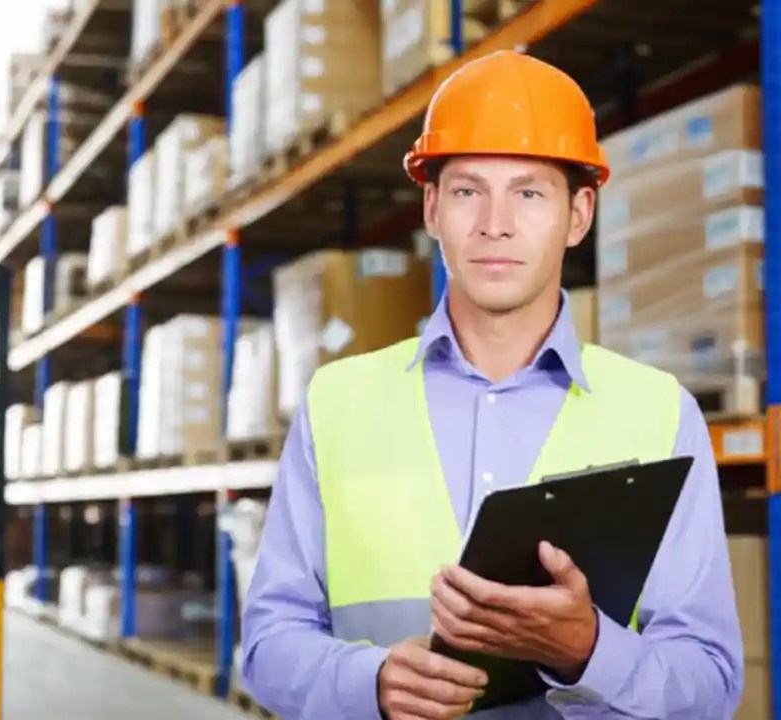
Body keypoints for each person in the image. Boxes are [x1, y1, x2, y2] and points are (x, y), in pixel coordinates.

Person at [238, 50, 744, 719]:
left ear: (578, 215)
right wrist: (370, 682)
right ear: (432, 209)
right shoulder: (339, 401)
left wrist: (588, 650)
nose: (494, 223)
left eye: (529, 192)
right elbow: (267, 643)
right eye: (468, 191)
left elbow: (710, 682)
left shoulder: (658, 413)